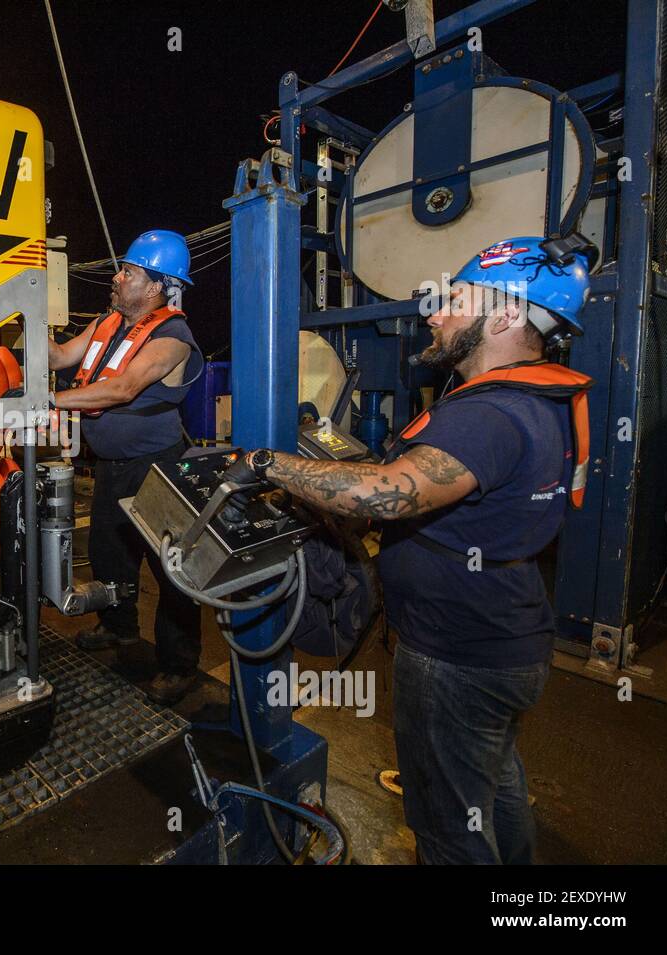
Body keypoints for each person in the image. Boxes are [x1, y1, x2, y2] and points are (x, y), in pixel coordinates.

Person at [237, 236, 594, 863]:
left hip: (457, 654)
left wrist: (266, 463)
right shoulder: (542, 398)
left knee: (446, 826)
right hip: (507, 634)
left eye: (454, 297)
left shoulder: (489, 414)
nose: (433, 310)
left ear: (507, 314)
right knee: (496, 785)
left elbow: (380, 495)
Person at [49, 230, 205, 705]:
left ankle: (178, 665)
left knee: (169, 568)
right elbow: (58, 356)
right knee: (109, 554)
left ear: (156, 285)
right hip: (112, 468)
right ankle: (118, 629)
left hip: (155, 469)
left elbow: (121, 391)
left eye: (129, 271)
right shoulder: (106, 323)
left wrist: (47, 402)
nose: (117, 277)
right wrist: (24, 314)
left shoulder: (173, 338)